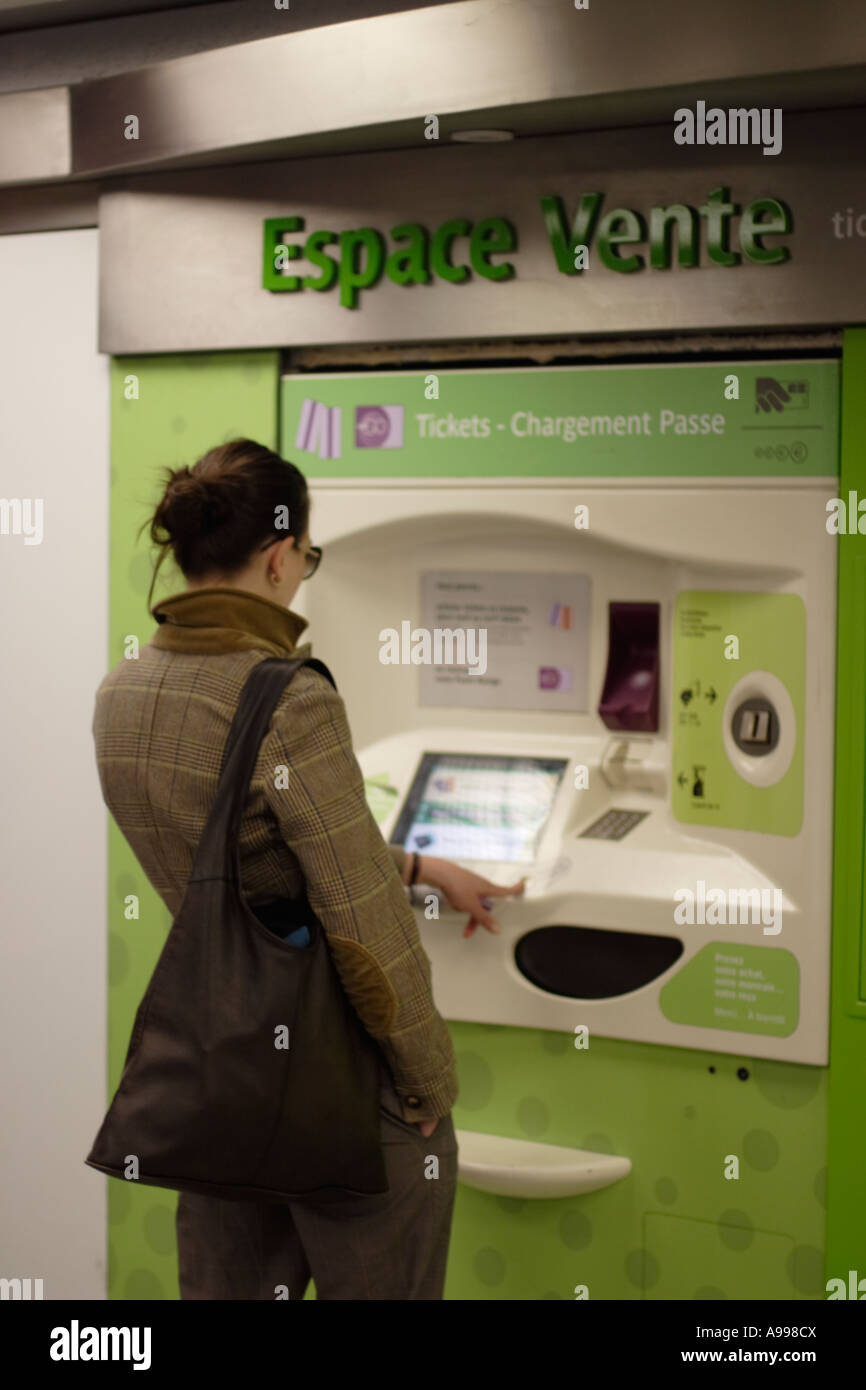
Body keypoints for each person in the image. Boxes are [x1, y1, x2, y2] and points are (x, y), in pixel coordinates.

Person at [92, 438, 523, 1301]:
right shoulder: (288, 695)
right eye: (307, 556)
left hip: (221, 1077)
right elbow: (363, 926)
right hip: (343, 1088)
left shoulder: (122, 694)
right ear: (282, 555)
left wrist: (420, 864)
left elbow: (243, 862)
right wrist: (428, 1083)